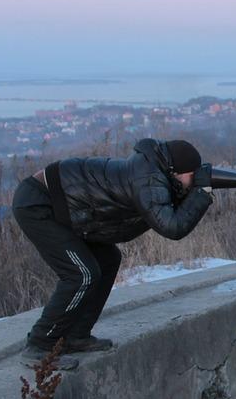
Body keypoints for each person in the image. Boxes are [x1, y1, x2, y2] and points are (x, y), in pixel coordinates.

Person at [12, 138, 213, 369]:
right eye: (192, 176)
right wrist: (201, 193)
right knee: (82, 274)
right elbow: (172, 227)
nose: (193, 181)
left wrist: (196, 191)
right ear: (176, 172)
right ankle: (40, 344)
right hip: (40, 203)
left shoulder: (156, 173)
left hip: (68, 209)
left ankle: (76, 335)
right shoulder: (147, 179)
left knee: (108, 260)